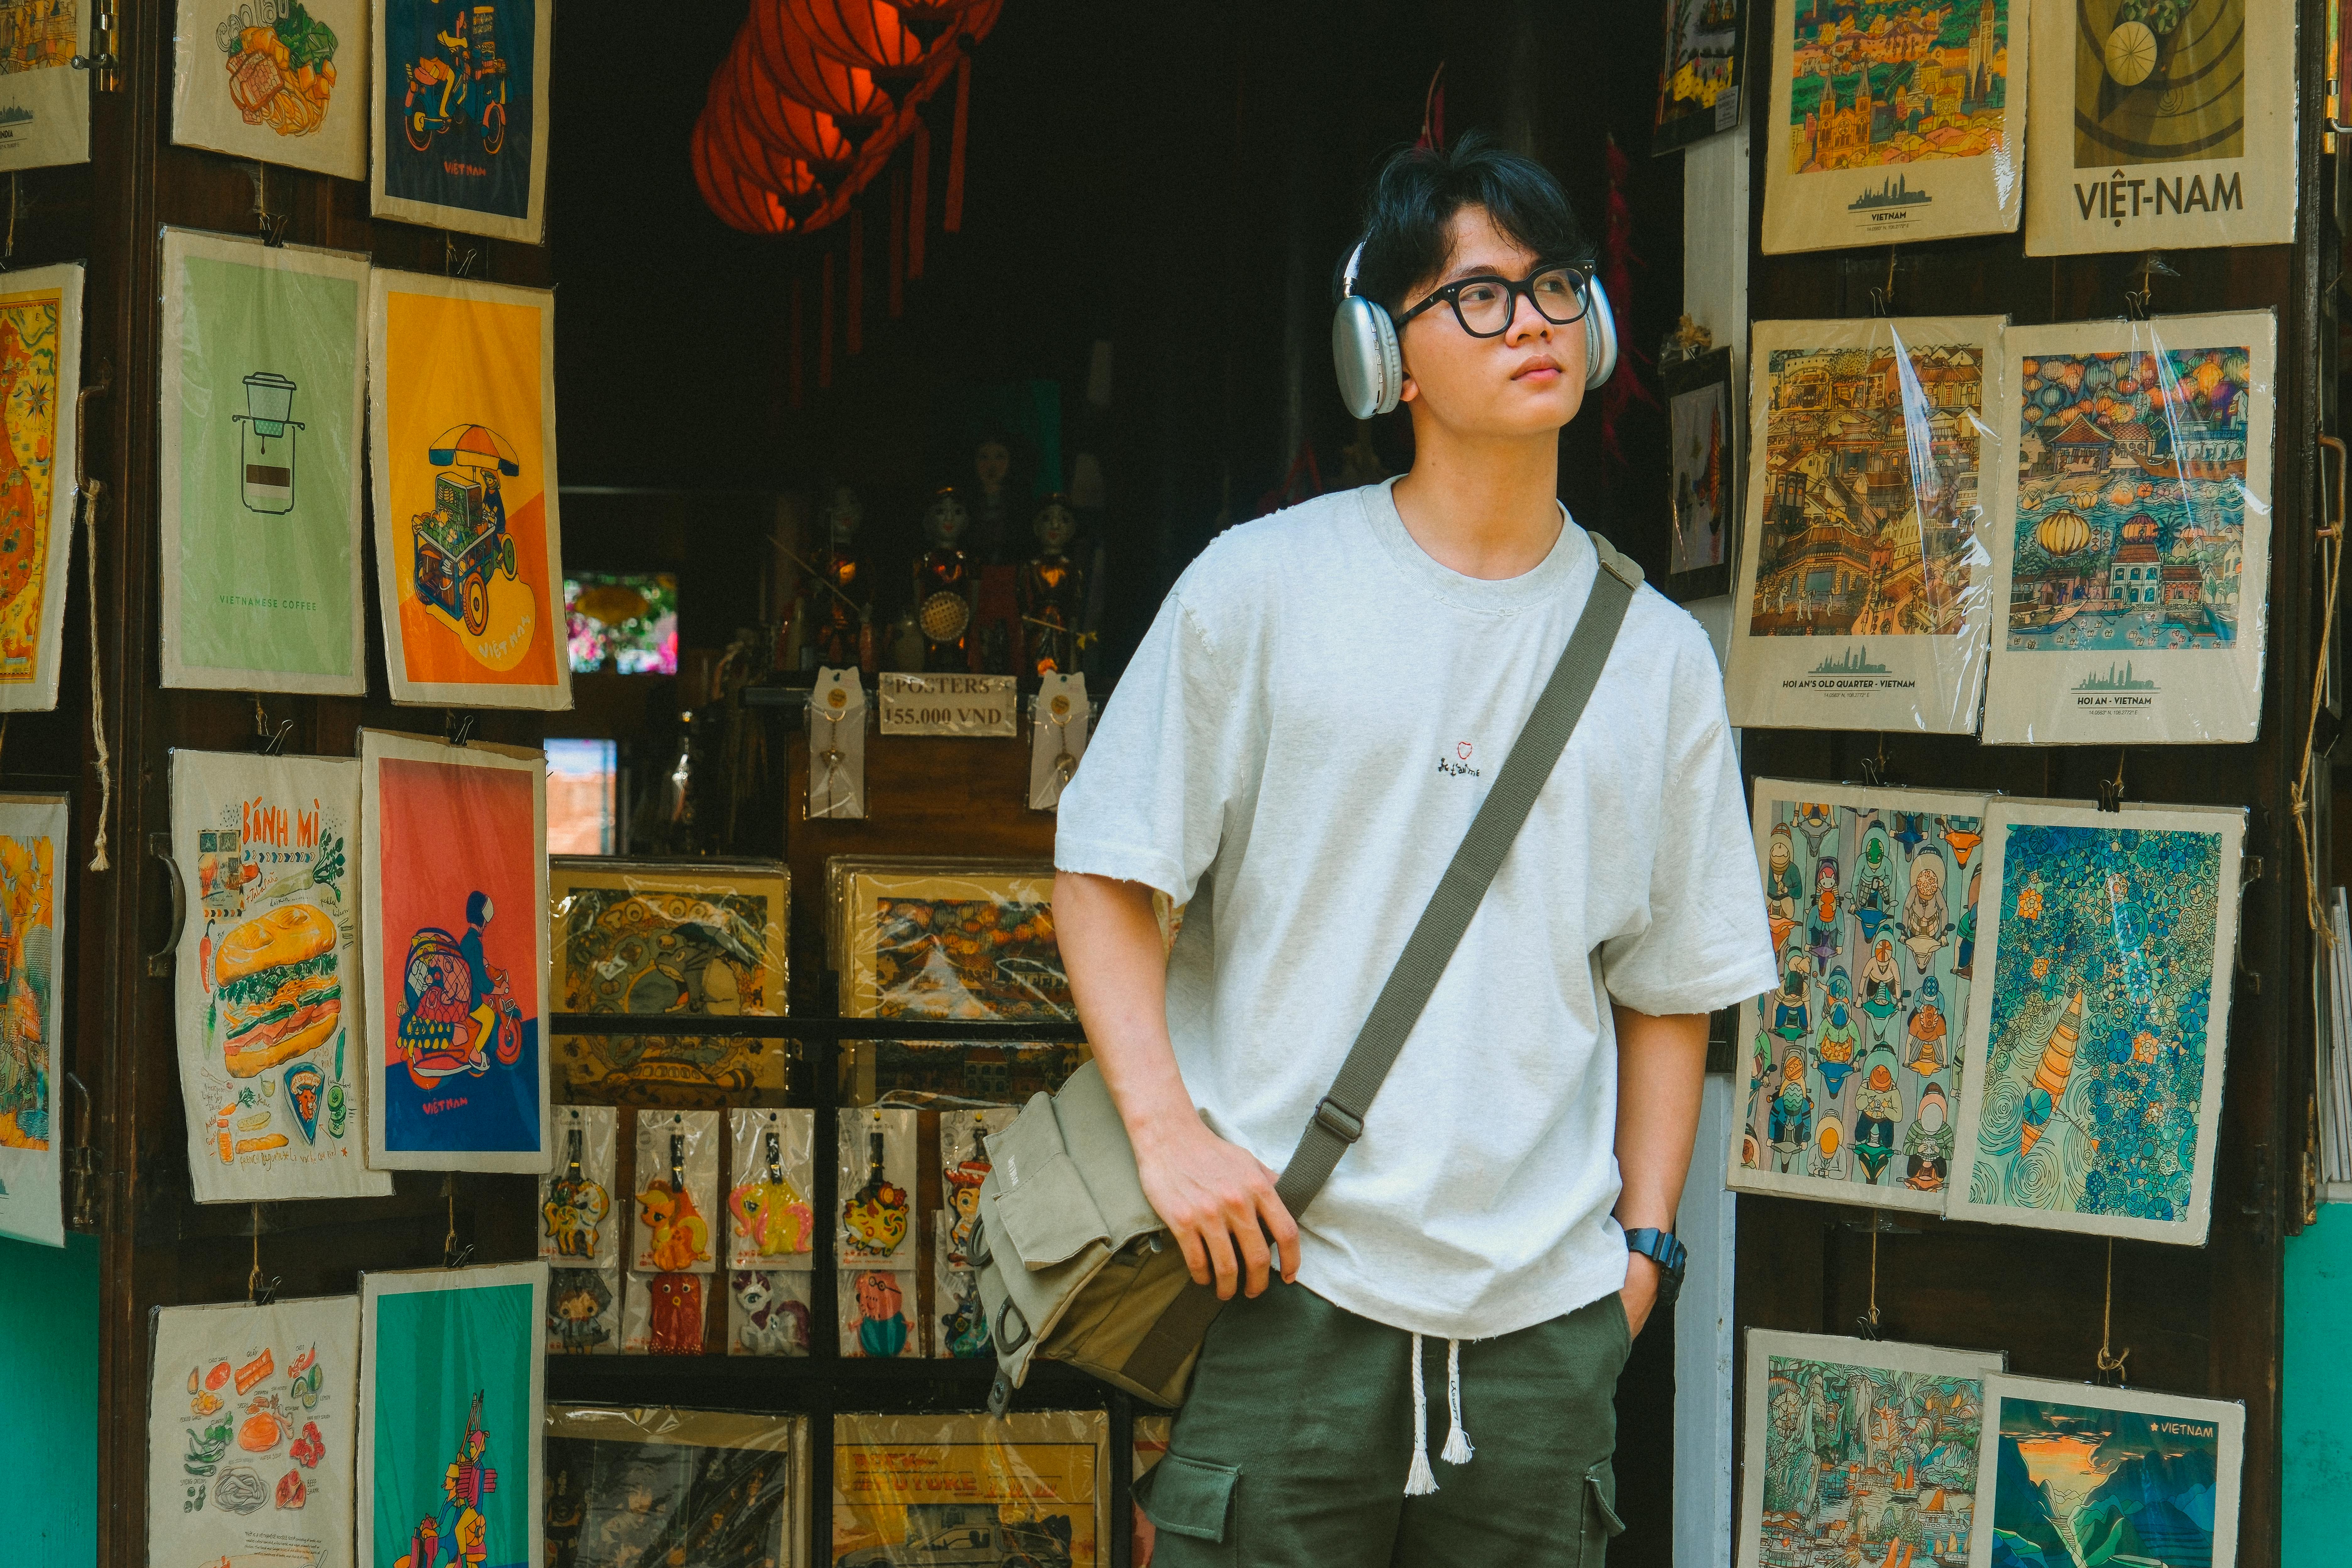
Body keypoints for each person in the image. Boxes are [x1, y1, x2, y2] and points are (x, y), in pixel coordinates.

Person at [1051, 134, 1775, 1566]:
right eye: (1484, 296)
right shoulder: (1265, 591)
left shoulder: (1657, 660)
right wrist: (1169, 1138)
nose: (1539, 326)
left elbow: (1672, 989)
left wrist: (1641, 1257)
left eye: (1560, 287)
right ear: (1383, 354)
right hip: (1285, 1288)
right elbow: (1106, 869)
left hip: (1543, 1330)